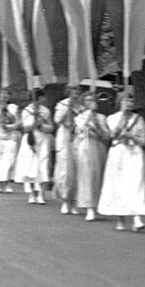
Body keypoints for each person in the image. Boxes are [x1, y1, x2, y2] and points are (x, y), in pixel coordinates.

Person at [99, 89, 145, 232]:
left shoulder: (139, 120)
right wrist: (121, 124)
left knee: (136, 184)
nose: (129, 103)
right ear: (120, 102)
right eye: (126, 100)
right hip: (118, 153)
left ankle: (137, 218)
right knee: (119, 185)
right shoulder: (112, 118)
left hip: (134, 154)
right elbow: (110, 135)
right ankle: (120, 218)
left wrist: (132, 136)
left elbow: (144, 141)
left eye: (132, 101)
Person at [72, 90, 108, 220]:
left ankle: (97, 204)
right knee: (86, 175)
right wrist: (88, 118)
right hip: (85, 146)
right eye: (88, 100)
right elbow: (78, 132)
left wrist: (97, 126)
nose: (92, 102)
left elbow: (106, 135)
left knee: (97, 175)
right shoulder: (79, 117)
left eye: (93, 100)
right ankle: (89, 207)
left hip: (98, 146)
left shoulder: (102, 117)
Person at [16, 89, 54, 203]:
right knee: (30, 165)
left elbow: (51, 127)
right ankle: (32, 192)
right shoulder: (26, 111)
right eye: (43, 97)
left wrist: (42, 124)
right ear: (38, 98)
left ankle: (41, 194)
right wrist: (34, 124)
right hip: (30, 139)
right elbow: (25, 128)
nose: (45, 99)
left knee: (43, 165)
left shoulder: (46, 111)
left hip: (43, 139)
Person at [54, 85, 82, 213]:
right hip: (64, 137)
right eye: (72, 91)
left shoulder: (82, 106)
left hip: (77, 137)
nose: (75, 94)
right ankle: (65, 200)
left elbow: (83, 125)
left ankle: (75, 200)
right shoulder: (61, 104)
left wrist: (76, 131)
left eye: (77, 91)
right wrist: (68, 109)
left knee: (78, 169)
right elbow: (57, 120)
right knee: (65, 170)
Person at [0, 90, 20, 193]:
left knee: (9, 161)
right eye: (1, 94)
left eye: (6, 94)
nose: (3, 96)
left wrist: (9, 126)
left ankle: (7, 184)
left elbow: (17, 122)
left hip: (10, 137)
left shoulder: (13, 107)